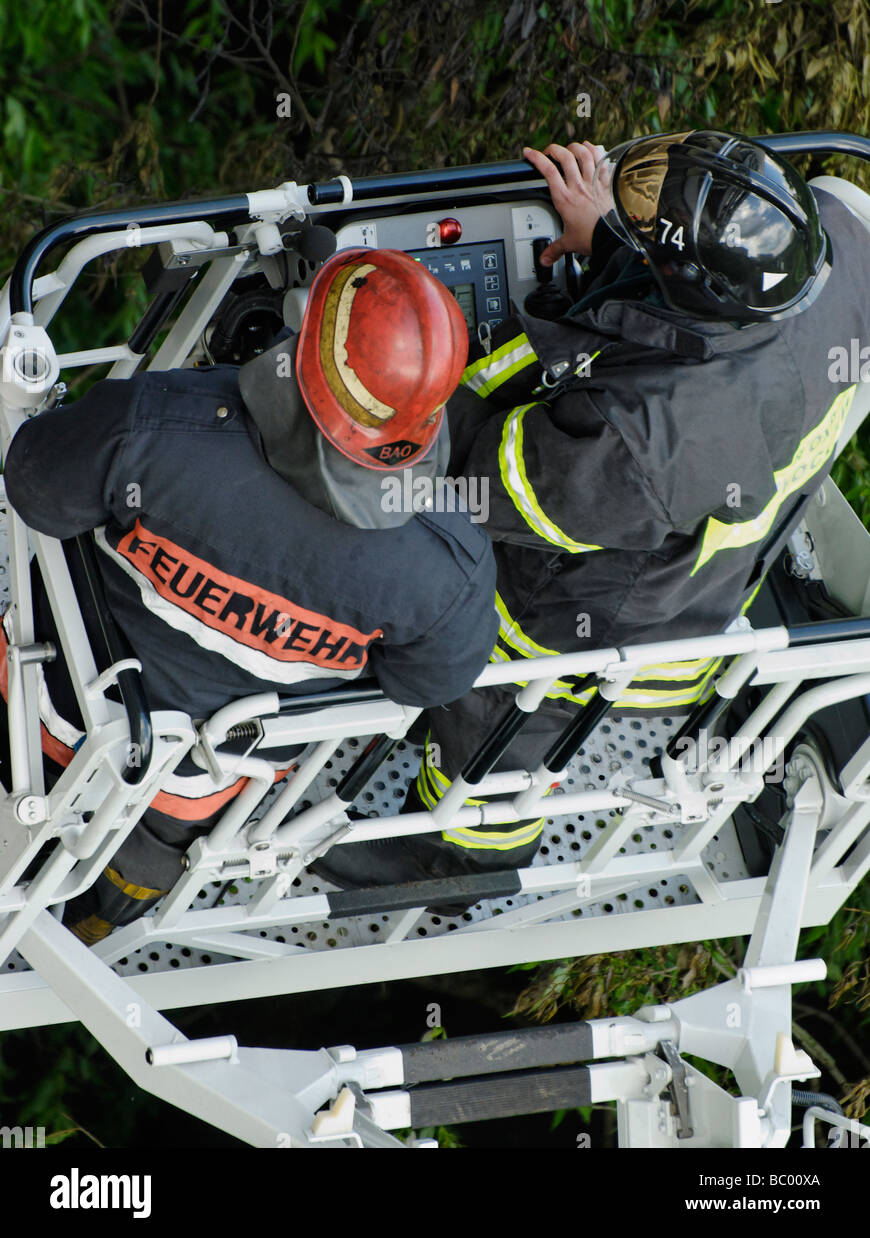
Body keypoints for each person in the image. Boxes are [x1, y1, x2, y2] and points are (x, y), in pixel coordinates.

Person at [313, 129, 870, 900]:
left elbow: (486, 484)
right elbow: (707, 317)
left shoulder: (645, 444)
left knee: (501, 701)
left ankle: (469, 854)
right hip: (703, 553)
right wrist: (612, 233)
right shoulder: (841, 231)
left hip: (619, 614)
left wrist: (387, 394)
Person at [1, 247, 499, 940]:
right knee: (126, 876)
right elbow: (428, 681)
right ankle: (83, 922)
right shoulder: (448, 567)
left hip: (37, 711)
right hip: (194, 794)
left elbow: (35, 488)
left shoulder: (159, 426)